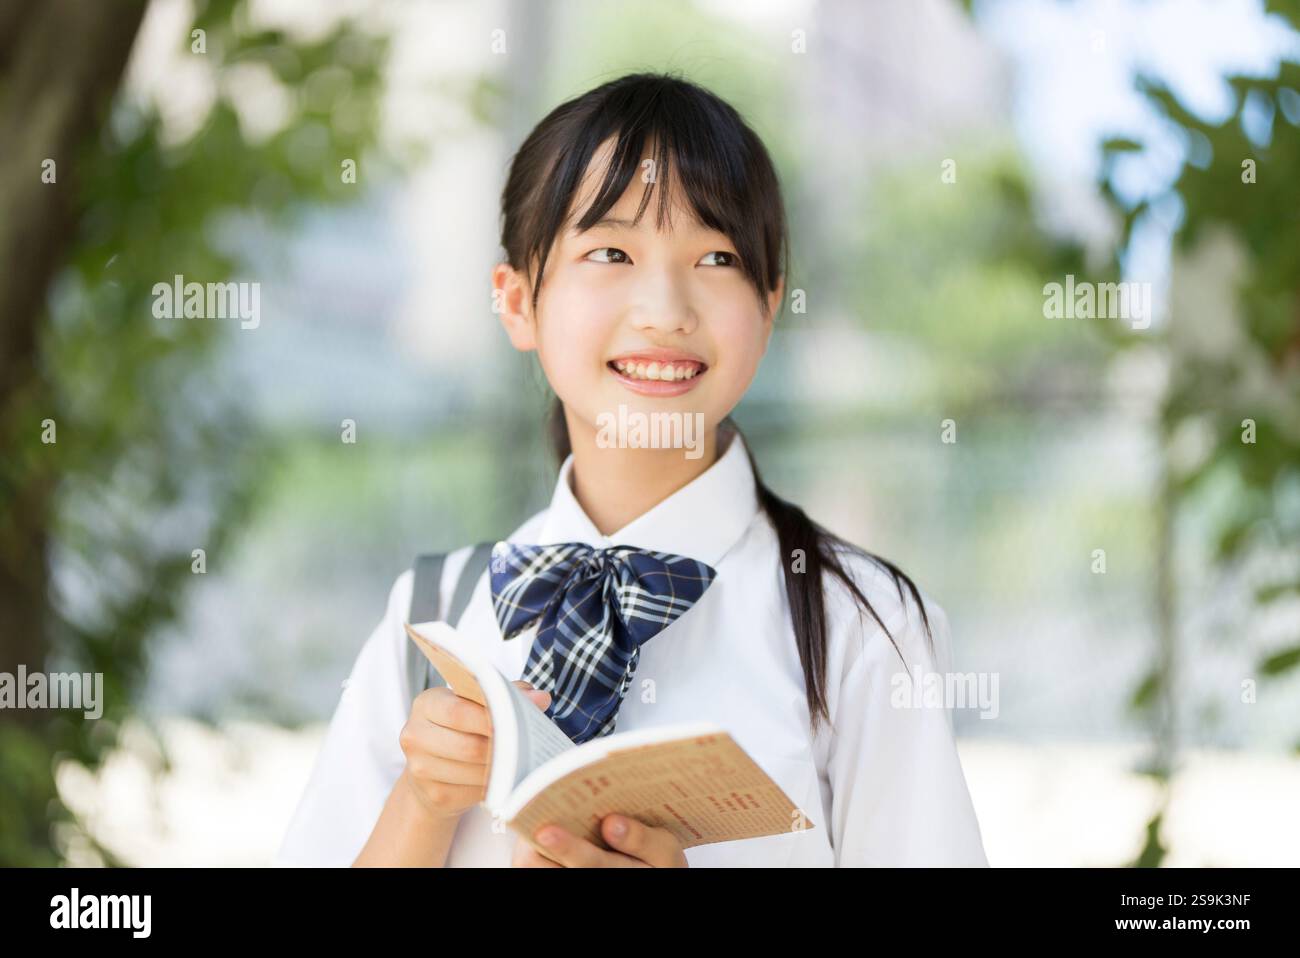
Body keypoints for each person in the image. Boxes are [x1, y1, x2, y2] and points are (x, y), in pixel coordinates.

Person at [275, 71, 988, 868]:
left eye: (716, 257)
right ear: (516, 302)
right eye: (610, 250)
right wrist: (422, 802)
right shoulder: (435, 612)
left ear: (770, 305)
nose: (665, 308)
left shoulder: (860, 625)